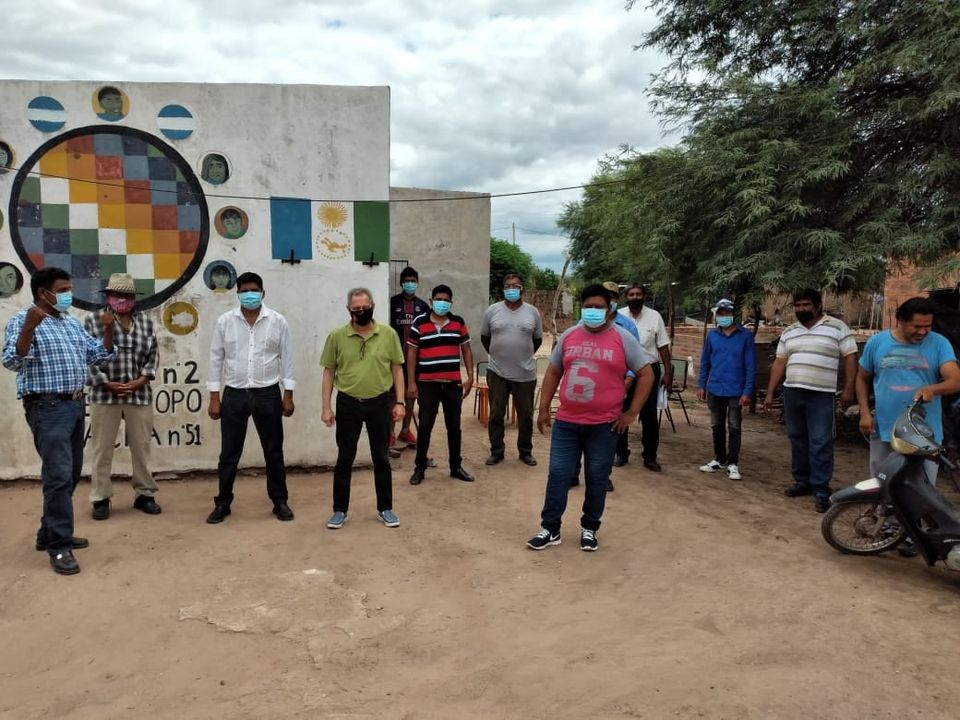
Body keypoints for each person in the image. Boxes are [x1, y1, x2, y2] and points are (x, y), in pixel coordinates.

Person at [2, 267, 115, 575]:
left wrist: (107, 330)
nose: (68, 294)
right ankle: (59, 546)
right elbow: (12, 360)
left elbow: (99, 356)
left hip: (76, 405)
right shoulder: (23, 321)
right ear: (44, 293)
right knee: (58, 476)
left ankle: (47, 533)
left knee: (70, 473)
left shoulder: (69, 322)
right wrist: (28, 328)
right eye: (63, 288)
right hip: (47, 408)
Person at [526, 284, 655, 552]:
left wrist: (631, 413)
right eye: (588, 307)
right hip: (567, 423)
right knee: (558, 475)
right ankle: (550, 529)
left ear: (609, 310)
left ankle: (589, 528)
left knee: (596, 477)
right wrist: (543, 408)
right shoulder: (570, 336)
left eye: (599, 307)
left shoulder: (622, 338)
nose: (593, 311)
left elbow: (646, 374)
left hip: (604, 426)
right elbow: (552, 372)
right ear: (581, 309)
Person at [206, 272, 295, 523]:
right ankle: (223, 503)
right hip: (234, 394)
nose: (249, 295)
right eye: (244, 291)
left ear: (263, 293)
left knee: (273, 451)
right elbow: (216, 358)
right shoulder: (225, 321)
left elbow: (287, 359)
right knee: (229, 453)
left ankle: (280, 501)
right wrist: (214, 396)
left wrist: (288, 394)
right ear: (238, 294)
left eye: (254, 290)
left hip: (268, 393)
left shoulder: (278, 322)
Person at [763, 288, 858, 513]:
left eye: (806, 305)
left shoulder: (837, 327)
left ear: (817, 306)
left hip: (821, 394)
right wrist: (769, 392)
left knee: (820, 441)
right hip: (792, 392)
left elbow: (851, 358)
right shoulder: (790, 331)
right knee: (797, 438)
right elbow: (779, 363)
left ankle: (821, 488)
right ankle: (802, 482)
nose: (801, 309)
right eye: (798, 306)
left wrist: (848, 390)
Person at [320, 287, 405, 529]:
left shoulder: (388, 335)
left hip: (379, 403)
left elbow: (397, 369)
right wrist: (326, 407)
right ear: (349, 310)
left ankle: (385, 508)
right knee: (345, 458)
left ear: (373, 307)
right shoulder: (337, 336)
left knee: (381, 457)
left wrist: (400, 402)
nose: (361, 311)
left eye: (365, 307)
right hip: (348, 403)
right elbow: (328, 372)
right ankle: (339, 510)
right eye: (356, 309)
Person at [85, 273, 161, 520]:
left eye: (127, 295)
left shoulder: (147, 324)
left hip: (138, 395)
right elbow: (86, 357)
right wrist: (107, 384)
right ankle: (100, 498)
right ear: (108, 296)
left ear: (134, 298)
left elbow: (153, 357)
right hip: (104, 395)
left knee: (142, 447)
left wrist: (139, 381)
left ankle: (145, 494)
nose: (122, 300)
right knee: (102, 449)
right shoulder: (94, 320)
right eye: (117, 295)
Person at [407, 284, 475, 485]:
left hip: (452, 384)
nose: (442, 303)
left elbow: (467, 349)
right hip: (427, 384)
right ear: (431, 301)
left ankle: (456, 467)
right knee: (425, 426)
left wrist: (470, 376)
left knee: (454, 427)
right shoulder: (419, 323)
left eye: (446, 300)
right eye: (438, 299)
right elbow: (411, 353)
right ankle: (420, 467)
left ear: (451, 303)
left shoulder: (458, 323)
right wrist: (411, 382)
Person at [480, 273, 543, 466]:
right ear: (503, 289)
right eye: (507, 286)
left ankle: (525, 451)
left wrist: (521, 354)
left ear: (522, 288)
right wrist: (500, 354)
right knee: (496, 414)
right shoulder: (492, 311)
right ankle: (497, 451)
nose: (511, 289)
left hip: (524, 373)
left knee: (525, 416)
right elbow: (485, 337)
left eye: (515, 286)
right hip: (497, 372)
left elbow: (537, 339)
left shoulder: (532, 312)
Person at [696, 299, 756, 481]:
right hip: (715, 387)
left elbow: (751, 365)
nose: (723, 317)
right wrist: (701, 384)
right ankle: (719, 459)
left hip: (736, 389)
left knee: (735, 426)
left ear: (733, 314)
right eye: (720, 314)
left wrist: (747, 391)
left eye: (727, 313)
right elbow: (705, 361)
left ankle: (733, 463)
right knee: (717, 425)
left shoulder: (745, 336)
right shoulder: (712, 336)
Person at [617, 283, 672, 471]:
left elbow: (663, 346)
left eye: (638, 294)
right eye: (631, 294)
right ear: (626, 297)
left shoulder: (655, 316)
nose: (635, 297)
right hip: (624, 371)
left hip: (649, 371)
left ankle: (650, 456)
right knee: (621, 411)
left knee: (649, 415)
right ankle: (621, 453)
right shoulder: (619, 316)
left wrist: (668, 373)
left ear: (644, 296)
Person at [388, 266, 430, 451]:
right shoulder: (391, 303)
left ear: (417, 283)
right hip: (395, 360)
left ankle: (405, 430)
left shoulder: (423, 306)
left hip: (416, 361)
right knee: (392, 397)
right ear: (401, 283)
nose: (410, 284)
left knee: (410, 395)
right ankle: (390, 432)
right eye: (407, 281)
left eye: (413, 281)